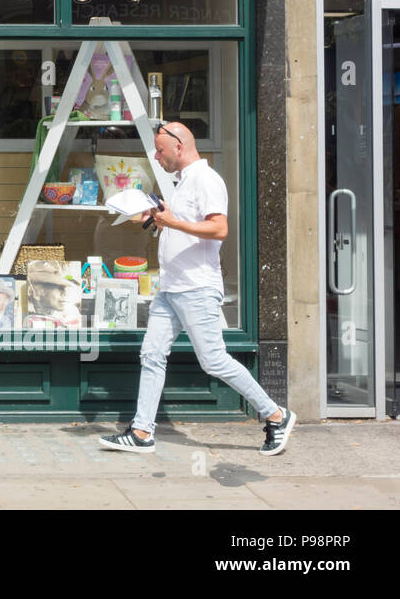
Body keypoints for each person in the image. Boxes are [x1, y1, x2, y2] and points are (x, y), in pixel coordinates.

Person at [100, 121, 294, 455]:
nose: (157, 157)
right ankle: (142, 432)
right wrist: (154, 217)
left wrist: (171, 221)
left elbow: (219, 229)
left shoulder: (206, 180)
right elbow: (184, 226)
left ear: (179, 146)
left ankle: (276, 414)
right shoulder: (184, 182)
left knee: (214, 360)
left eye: (160, 150)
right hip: (171, 288)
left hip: (196, 287)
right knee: (151, 354)